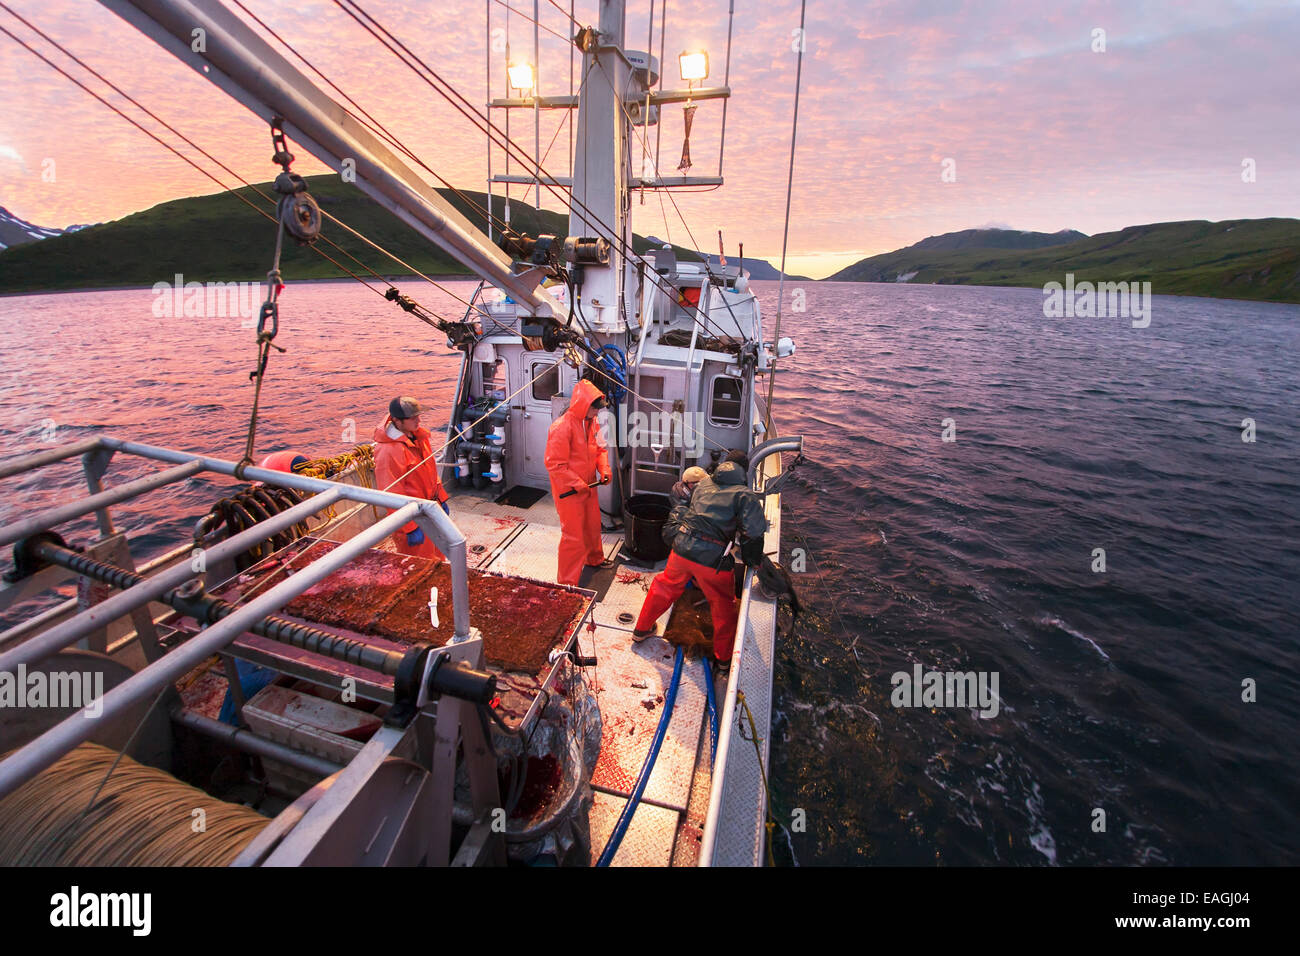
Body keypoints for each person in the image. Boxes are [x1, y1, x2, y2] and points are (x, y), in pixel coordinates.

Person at [632, 451, 767, 671]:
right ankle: (723, 660)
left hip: (682, 549)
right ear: (744, 471)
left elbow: (689, 510)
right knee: (723, 605)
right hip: (712, 561)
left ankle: (641, 630)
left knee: (663, 587)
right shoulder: (745, 495)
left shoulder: (703, 485)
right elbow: (753, 534)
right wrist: (753, 560)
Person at [545, 378, 611, 585]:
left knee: (592, 526)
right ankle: (567, 582)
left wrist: (604, 469)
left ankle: (594, 559)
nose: (598, 412)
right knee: (573, 537)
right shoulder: (561, 428)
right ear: (584, 406)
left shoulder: (592, 423)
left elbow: (600, 449)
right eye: (595, 409)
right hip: (569, 492)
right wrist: (576, 483)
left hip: (589, 487)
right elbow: (554, 464)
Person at [373, 395, 450, 561]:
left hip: (430, 509)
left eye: (418, 416)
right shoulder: (388, 451)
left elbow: (430, 473)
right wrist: (409, 527)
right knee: (419, 563)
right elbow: (390, 493)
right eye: (413, 418)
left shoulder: (419, 437)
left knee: (438, 555)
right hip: (412, 516)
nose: (418, 421)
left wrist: (441, 499)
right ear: (397, 421)